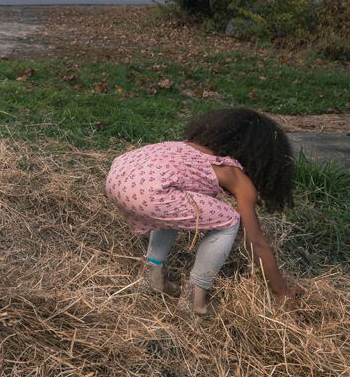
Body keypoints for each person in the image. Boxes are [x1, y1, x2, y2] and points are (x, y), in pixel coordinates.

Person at [106, 108, 303, 315]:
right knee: (230, 220)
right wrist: (282, 293)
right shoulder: (232, 174)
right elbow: (255, 242)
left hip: (118, 176)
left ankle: (152, 277)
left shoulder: (187, 149)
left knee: (176, 208)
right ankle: (194, 300)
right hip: (149, 192)